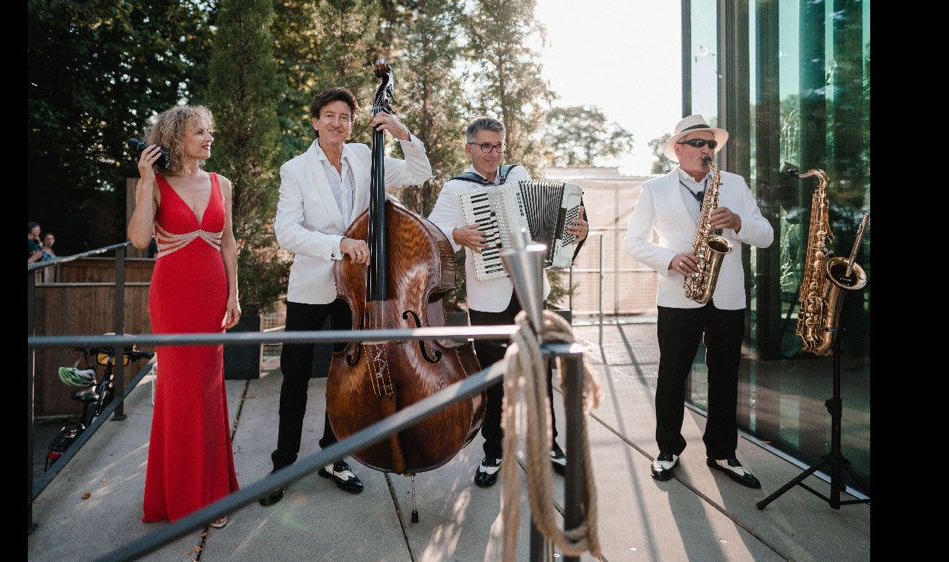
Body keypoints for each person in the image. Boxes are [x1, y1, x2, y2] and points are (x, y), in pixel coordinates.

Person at [261, 87, 433, 506]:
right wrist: (339, 243)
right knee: (296, 378)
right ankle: (283, 464)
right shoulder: (295, 169)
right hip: (311, 287)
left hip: (354, 290)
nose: (338, 123)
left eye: (345, 117)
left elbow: (419, 172)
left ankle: (333, 457)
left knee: (345, 378)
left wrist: (401, 131)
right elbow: (287, 232)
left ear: (352, 124)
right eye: (330, 115)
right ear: (316, 121)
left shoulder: (364, 156)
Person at [427, 116, 589, 488]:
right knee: (494, 376)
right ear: (469, 148)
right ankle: (494, 451)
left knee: (539, 370)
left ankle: (548, 444)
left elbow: (557, 215)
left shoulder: (518, 175)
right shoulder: (456, 189)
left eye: (498, 145)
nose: (494, 153)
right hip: (488, 296)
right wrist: (457, 234)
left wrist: (579, 231)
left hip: (531, 289)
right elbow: (433, 236)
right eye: (486, 146)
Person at [623, 114, 774, 488]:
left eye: (711, 145)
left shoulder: (734, 185)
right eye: (699, 144)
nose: (708, 150)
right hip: (679, 293)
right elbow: (633, 241)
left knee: (725, 376)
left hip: (727, 296)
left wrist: (738, 222)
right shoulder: (654, 189)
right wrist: (670, 259)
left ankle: (723, 452)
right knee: (673, 374)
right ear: (678, 149)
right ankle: (667, 449)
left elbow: (767, 235)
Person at [128, 104, 241, 527]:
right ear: (177, 139)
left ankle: (209, 495)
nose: (209, 138)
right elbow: (140, 239)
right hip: (173, 298)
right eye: (200, 132)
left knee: (209, 390)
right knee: (178, 392)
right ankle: (177, 497)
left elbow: (228, 243)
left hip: (212, 296)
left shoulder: (221, 183)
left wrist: (235, 293)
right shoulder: (155, 183)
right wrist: (144, 183)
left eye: (209, 131)